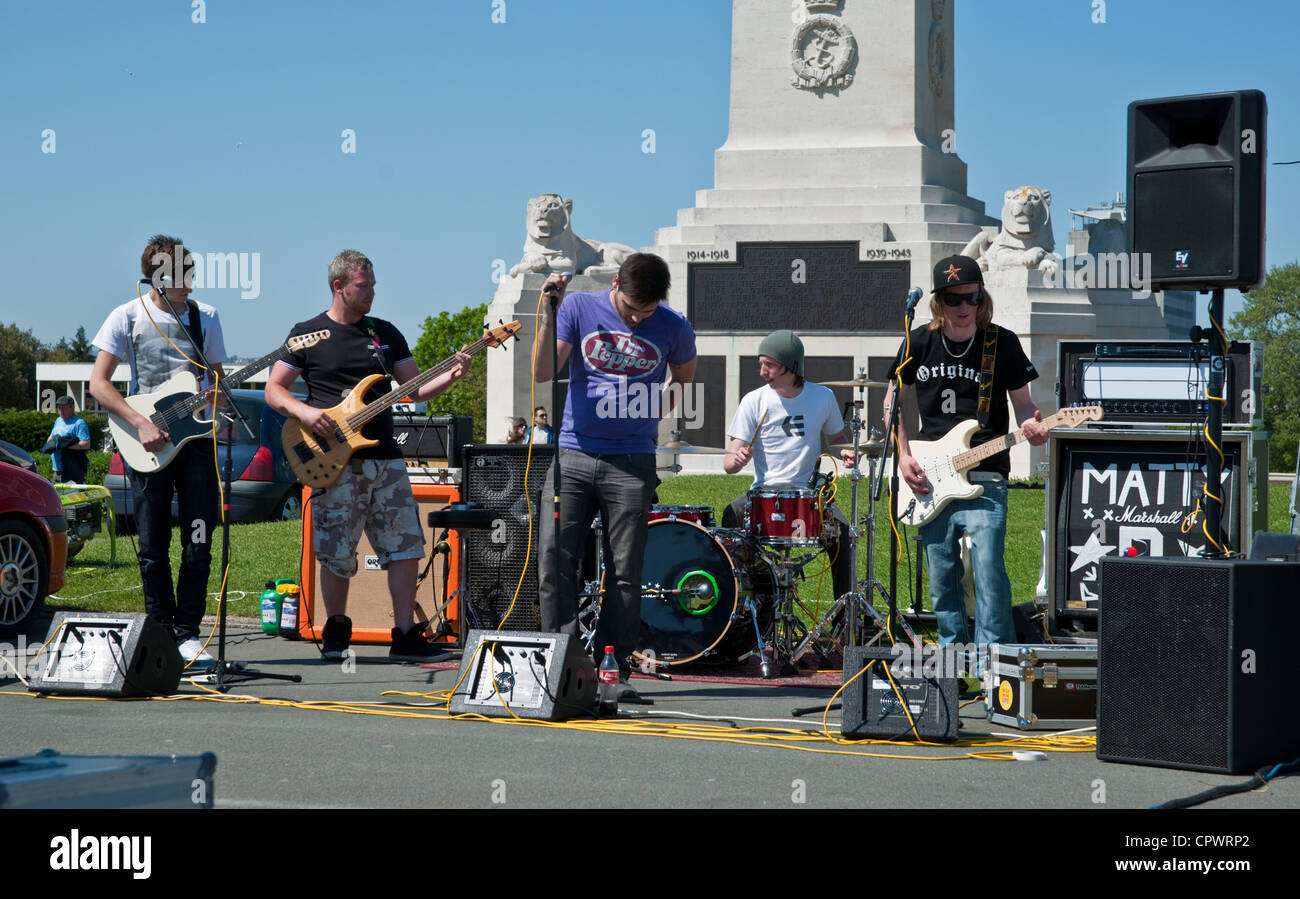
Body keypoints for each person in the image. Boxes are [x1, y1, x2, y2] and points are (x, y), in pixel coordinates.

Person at [265, 250, 469, 662]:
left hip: (387, 458)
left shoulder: (385, 333)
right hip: (332, 458)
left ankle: (405, 635)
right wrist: (307, 412)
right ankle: (337, 630)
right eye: (363, 286)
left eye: (374, 285)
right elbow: (274, 390)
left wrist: (449, 375)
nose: (371, 293)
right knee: (337, 549)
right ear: (339, 286)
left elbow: (413, 389)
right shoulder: (307, 333)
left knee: (406, 545)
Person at [534, 252, 696, 695]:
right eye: (630, 310)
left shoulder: (674, 326)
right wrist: (548, 313)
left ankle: (611, 669)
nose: (638, 319)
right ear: (615, 287)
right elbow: (544, 370)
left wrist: (654, 415)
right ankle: (562, 661)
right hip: (574, 453)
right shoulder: (578, 308)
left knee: (625, 571)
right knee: (554, 559)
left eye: (647, 312)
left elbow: (683, 376)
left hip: (632, 461)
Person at [886, 254, 1048, 669]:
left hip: (987, 473)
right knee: (942, 578)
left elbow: (1025, 404)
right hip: (928, 476)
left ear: (982, 298)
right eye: (954, 299)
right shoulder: (917, 341)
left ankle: (994, 670)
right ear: (939, 301)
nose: (964, 307)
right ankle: (951, 667)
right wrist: (904, 455)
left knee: (988, 570)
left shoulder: (1002, 342)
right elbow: (893, 402)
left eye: (972, 298)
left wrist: (1034, 425)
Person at [89, 235, 226, 666]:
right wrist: (141, 423)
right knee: (151, 544)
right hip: (144, 444)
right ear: (158, 277)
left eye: (193, 273)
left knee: (198, 541)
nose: (192, 283)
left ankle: (188, 632)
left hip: (197, 444)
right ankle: (161, 629)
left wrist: (216, 404)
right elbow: (99, 384)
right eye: (184, 275)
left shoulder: (206, 317)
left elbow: (217, 380)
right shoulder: (126, 316)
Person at [722, 330, 857, 601]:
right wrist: (735, 460)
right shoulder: (754, 401)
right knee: (729, 517)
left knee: (843, 531)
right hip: (763, 494)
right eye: (760, 364)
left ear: (789, 366)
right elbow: (729, 462)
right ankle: (742, 610)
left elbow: (838, 439)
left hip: (808, 497)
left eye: (768, 365)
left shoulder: (823, 397)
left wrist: (846, 452)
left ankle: (844, 619)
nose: (761, 371)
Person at [45, 396, 91, 483]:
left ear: (72, 408)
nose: (61, 411)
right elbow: (51, 436)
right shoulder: (58, 420)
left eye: (64, 408)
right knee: (56, 495)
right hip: (58, 468)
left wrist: (65, 445)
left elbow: (86, 444)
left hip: (74, 468)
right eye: (59, 408)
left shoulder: (79, 423)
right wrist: (50, 443)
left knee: (71, 495)